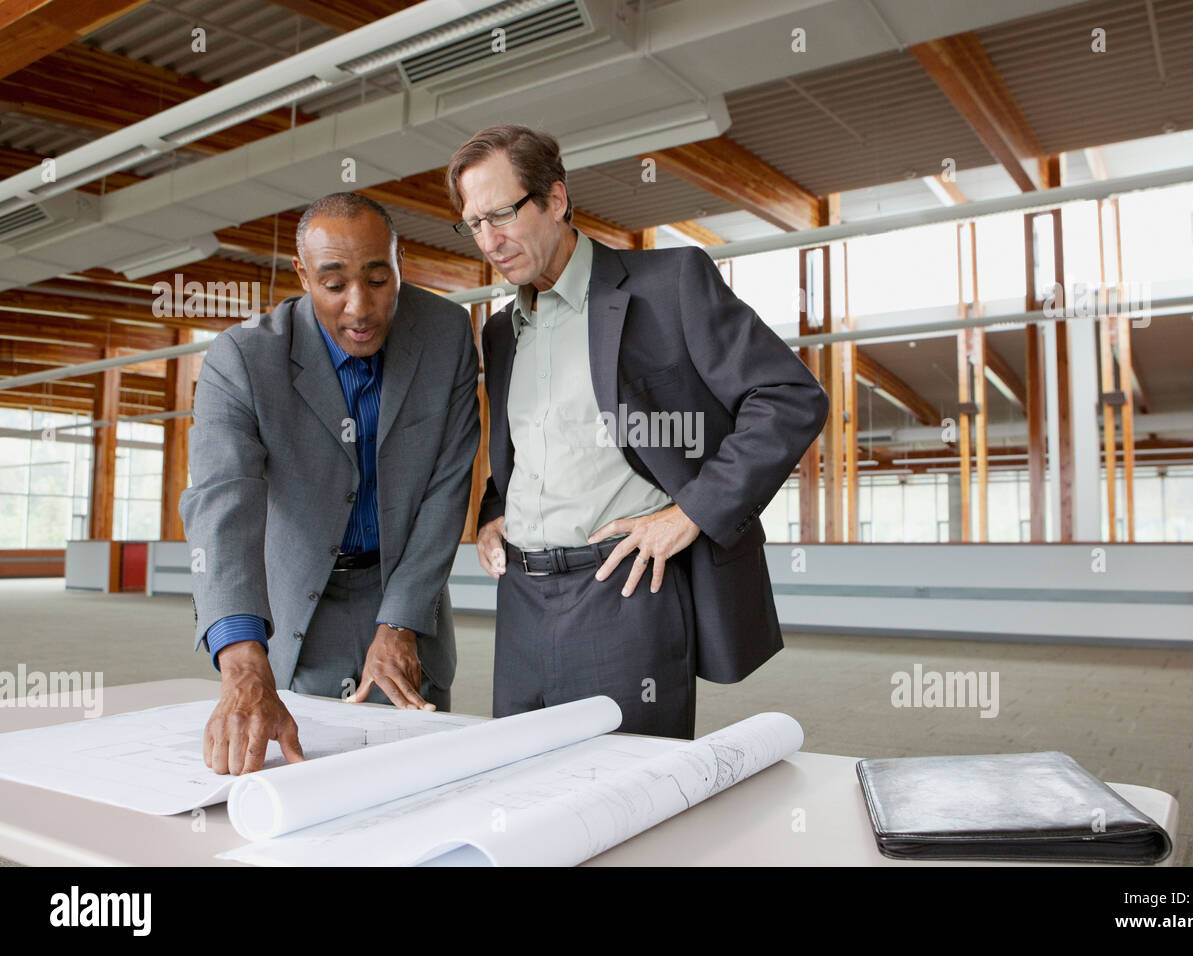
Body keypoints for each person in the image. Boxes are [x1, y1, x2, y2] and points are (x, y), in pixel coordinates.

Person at [447, 125, 828, 740]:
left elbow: (788, 397)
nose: (488, 240)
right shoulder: (500, 332)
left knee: (628, 802)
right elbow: (522, 451)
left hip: (623, 593)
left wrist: (692, 512)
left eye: (502, 213)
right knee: (520, 791)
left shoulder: (669, 285)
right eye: (473, 223)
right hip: (519, 601)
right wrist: (494, 510)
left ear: (555, 199)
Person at [180, 192, 480, 775]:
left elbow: (447, 487)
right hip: (296, 605)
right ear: (302, 274)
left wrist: (400, 622)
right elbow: (223, 503)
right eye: (334, 284)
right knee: (302, 780)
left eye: (378, 279)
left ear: (400, 264)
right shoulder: (242, 357)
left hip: (407, 595)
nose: (360, 308)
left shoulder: (445, 335)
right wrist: (242, 660)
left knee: (419, 780)